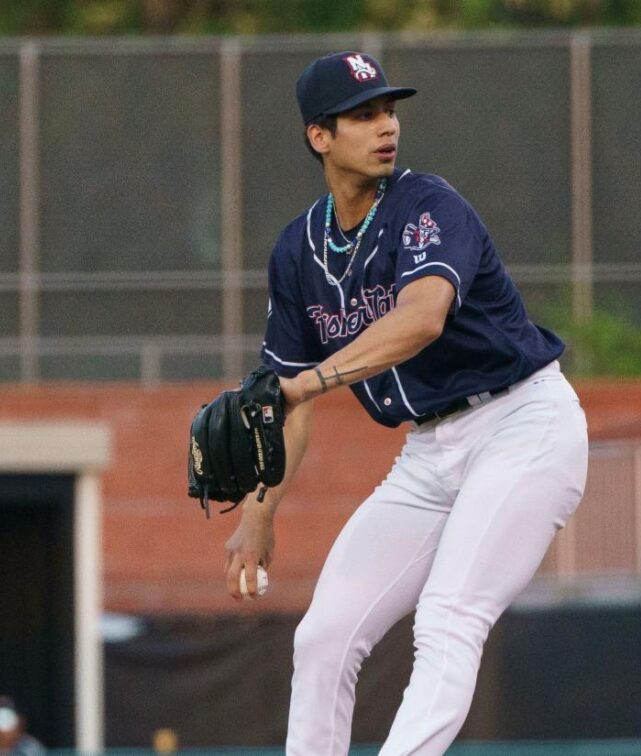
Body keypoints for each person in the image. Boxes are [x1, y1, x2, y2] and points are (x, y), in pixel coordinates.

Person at [222, 51, 589, 755]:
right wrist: (258, 513)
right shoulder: (297, 252)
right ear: (319, 136)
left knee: (449, 617)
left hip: (522, 424)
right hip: (429, 452)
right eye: (363, 115)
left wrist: (309, 382)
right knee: (325, 635)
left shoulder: (428, 206)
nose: (386, 126)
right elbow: (287, 399)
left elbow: (422, 317)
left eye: (389, 110)